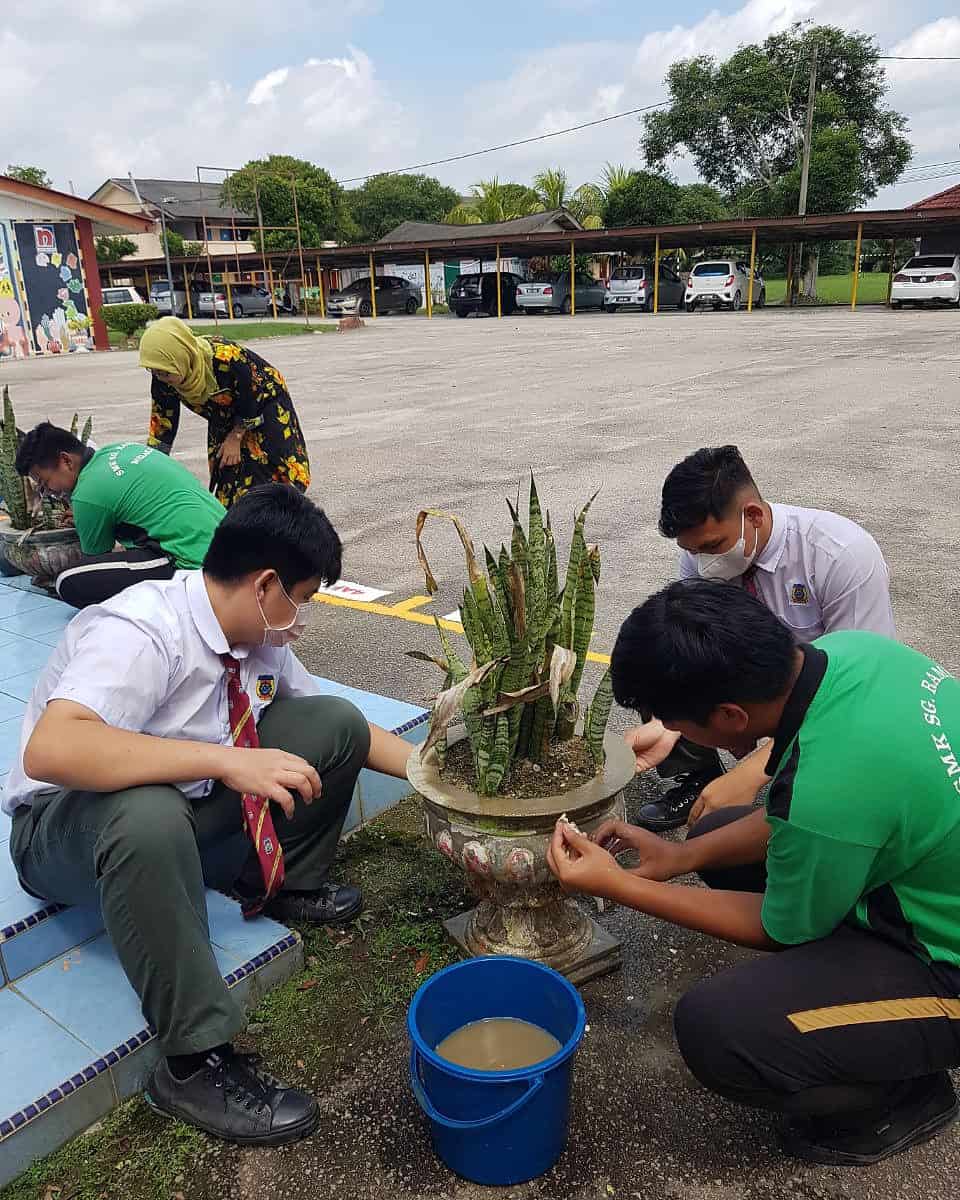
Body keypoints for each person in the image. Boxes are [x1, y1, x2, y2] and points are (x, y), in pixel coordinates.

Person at [3, 485, 414, 1146]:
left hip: (182, 807)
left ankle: (281, 883)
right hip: (65, 828)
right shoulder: (142, 630)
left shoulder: (257, 634)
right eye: (302, 599)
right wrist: (224, 762)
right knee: (148, 812)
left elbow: (346, 730)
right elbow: (53, 750)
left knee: (333, 723)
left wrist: (433, 775)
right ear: (265, 584)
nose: (301, 618)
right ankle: (193, 1062)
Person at [548, 580, 960, 1166]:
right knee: (716, 837)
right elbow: (813, 812)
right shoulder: (852, 654)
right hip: (925, 873)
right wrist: (681, 858)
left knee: (720, 1029)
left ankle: (903, 1097)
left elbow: (777, 924)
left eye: (678, 723)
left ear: (729, 716)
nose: (678, 735)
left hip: (946, 966)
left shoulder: (829, 793)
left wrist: (619, 885)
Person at [630, 444, 895, 831]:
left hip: (833, 699)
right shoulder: (700, 556)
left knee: (815, 803)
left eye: (712, 547)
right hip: (751, 686)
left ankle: (798, 788)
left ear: (753, 516)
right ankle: (699, 775)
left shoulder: (841, 555)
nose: (704, 564)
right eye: (692, 551)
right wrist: (670, 724)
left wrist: (755, 770)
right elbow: (689, 649)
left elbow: (859, 684)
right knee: (657, 658)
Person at [15, 422, 225, 608]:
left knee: (68, 581)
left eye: (44, 483)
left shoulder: (87, 495)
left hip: (195, 564)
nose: (47, 492)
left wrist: (87, 517)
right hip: (227, 540)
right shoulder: (119, 450)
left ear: (66, 461)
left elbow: (96, 560)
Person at [139, 316, 310, 508]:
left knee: (272, 474)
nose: (161, 378)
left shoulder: (227, 357)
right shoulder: (163, 375)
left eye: (165, 373)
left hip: (264, 402)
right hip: (223, 415)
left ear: (182, 356)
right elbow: (163, 424)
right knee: (228, 472)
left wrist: (236, 437)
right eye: (154, 372)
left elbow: (250, 396)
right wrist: (150, 466)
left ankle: (281, 515)